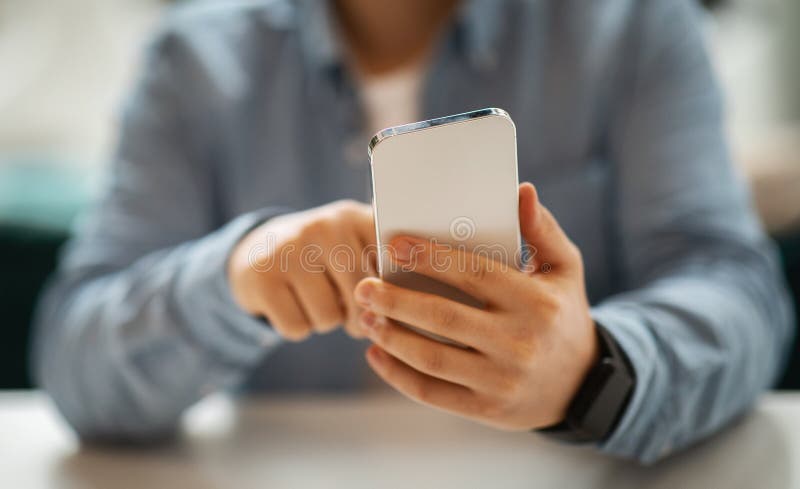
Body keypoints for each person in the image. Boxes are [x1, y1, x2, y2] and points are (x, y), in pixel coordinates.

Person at [33, 0, 794, 464]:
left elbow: (740, 292)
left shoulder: (634, 27)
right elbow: (76, 360)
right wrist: (232, 274)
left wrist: (592, 372)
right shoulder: (192, 59)